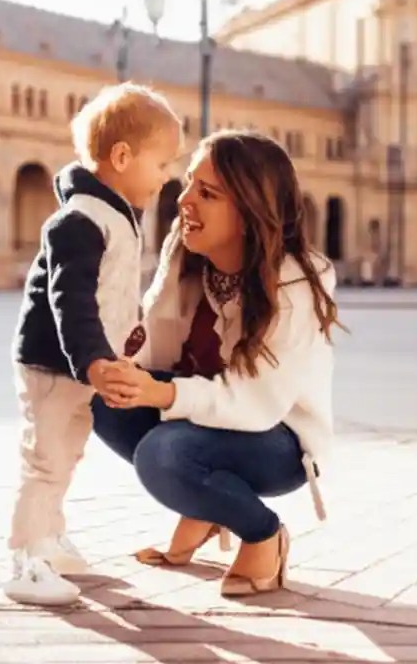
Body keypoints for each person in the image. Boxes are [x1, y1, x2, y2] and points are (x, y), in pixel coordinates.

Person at [93, 131, 341, 597]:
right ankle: (208, 505)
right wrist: (119, 368)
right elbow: (156, 345)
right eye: (189, 184)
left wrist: (161, 393)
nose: (184, 200)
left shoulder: (295, 282)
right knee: (106, 400)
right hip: (206, 419)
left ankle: (263, 533)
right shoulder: (186, 252)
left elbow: (256, 403)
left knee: (164, 455)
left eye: (207, 194)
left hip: (279, 440)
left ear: (249, 212)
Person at [2, 83, 183, 606]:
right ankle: (25, 558)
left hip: (82, 366)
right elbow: (71, 301)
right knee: (45, 458)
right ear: (123, 157)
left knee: (68, 449)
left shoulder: (116, 213)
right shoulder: (78, 220)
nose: (166, 175)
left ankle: (50, 537)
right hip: (55, 361)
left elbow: (112, 294)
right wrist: (94, 359)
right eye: (161, 163)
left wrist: (125, 340)